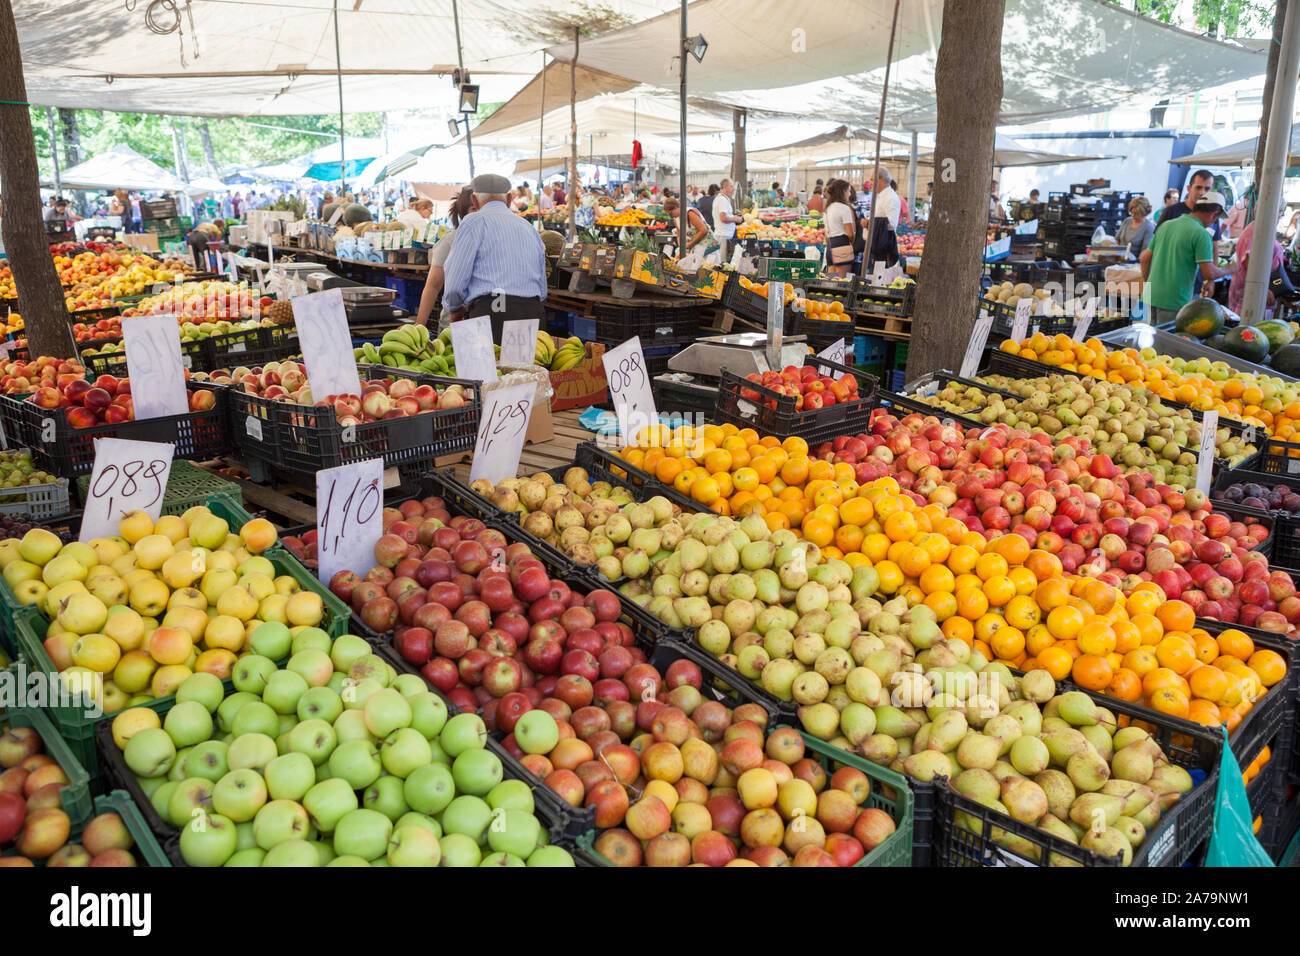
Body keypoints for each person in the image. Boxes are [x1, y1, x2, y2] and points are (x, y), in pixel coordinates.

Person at [442, 173, 548, 343]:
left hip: (493, 310)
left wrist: (453, 308)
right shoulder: (528, 227)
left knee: (490, 369)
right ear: (509, 198)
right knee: (526, 369)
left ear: (474, 200)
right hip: (532, 312)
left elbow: (455, 279)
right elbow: (542, 288)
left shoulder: (473, 222)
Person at [1140, 190, 1232, 325]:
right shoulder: (1201, 234)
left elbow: (1144, 259)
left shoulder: (1166, 225)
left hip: (1149, 297)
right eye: (1216, 219)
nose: (1214, 222)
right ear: (1213, 214)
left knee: (1146, 343)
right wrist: (1230, 269)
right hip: (1175, 301)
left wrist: (1149, 284)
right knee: (1166, 344)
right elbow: (1209, 273)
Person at [415, 186, 474, 329]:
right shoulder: (451, 240)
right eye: (474, 209)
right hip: (454, 325)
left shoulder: (498, 238)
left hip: (489, 321)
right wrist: (420, 323)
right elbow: (433, 285)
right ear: (464, 213)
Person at [1229, 201, 1286, 315]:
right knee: (1247, 331)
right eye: (1281, 211)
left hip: (1255, 296)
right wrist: (1265, 291)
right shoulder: (1255, 231)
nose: (1282, 215)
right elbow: (1251, 265)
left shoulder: (1263, 229)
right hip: (1249, 298)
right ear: (1270, 211)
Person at [1155, 169, 1221, 239]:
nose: (1202, 193)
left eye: (1207, 189)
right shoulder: (1171, 211)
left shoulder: (1212, 215)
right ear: (1189, 188)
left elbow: (1214, 246)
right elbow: (1157, 241)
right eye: (1198, 188)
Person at [865, 168, 900, 272]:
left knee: (879, 281)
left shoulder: (890, 198)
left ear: (881, 180)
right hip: (875, 247)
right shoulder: (878, 197)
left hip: (883, 249)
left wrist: (868, 224)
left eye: (872, 179)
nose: (869, 182)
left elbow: (891, 225)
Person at [662, 196, 715, 262]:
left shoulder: (690, 213)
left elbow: (703, 230)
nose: (670, 216)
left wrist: (691, 244)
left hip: (706, 248)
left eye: (670, 213)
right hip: (695, 249)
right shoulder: (676, 219)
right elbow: (679, 235)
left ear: (676, 207)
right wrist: (681, 246)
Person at [823, 179, 858, 276]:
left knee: (831, 281)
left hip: (830, 245)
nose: (850, 194)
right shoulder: (844, 208)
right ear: (843, 191)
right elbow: (851, 234)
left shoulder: (828, 208)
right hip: (842, 244)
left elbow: (826, 234)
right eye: (848, 191)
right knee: (842, 281)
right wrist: (850, 244)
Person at [712, 178, 742, 261]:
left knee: (722, 260)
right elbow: (723, 218)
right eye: (731, 186)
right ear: (725, 188)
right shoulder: (722, 200)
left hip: (724, 235)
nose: (733, 189)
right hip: (723, 236)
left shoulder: (722, 199)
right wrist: (736, 219)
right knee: (723, 261)